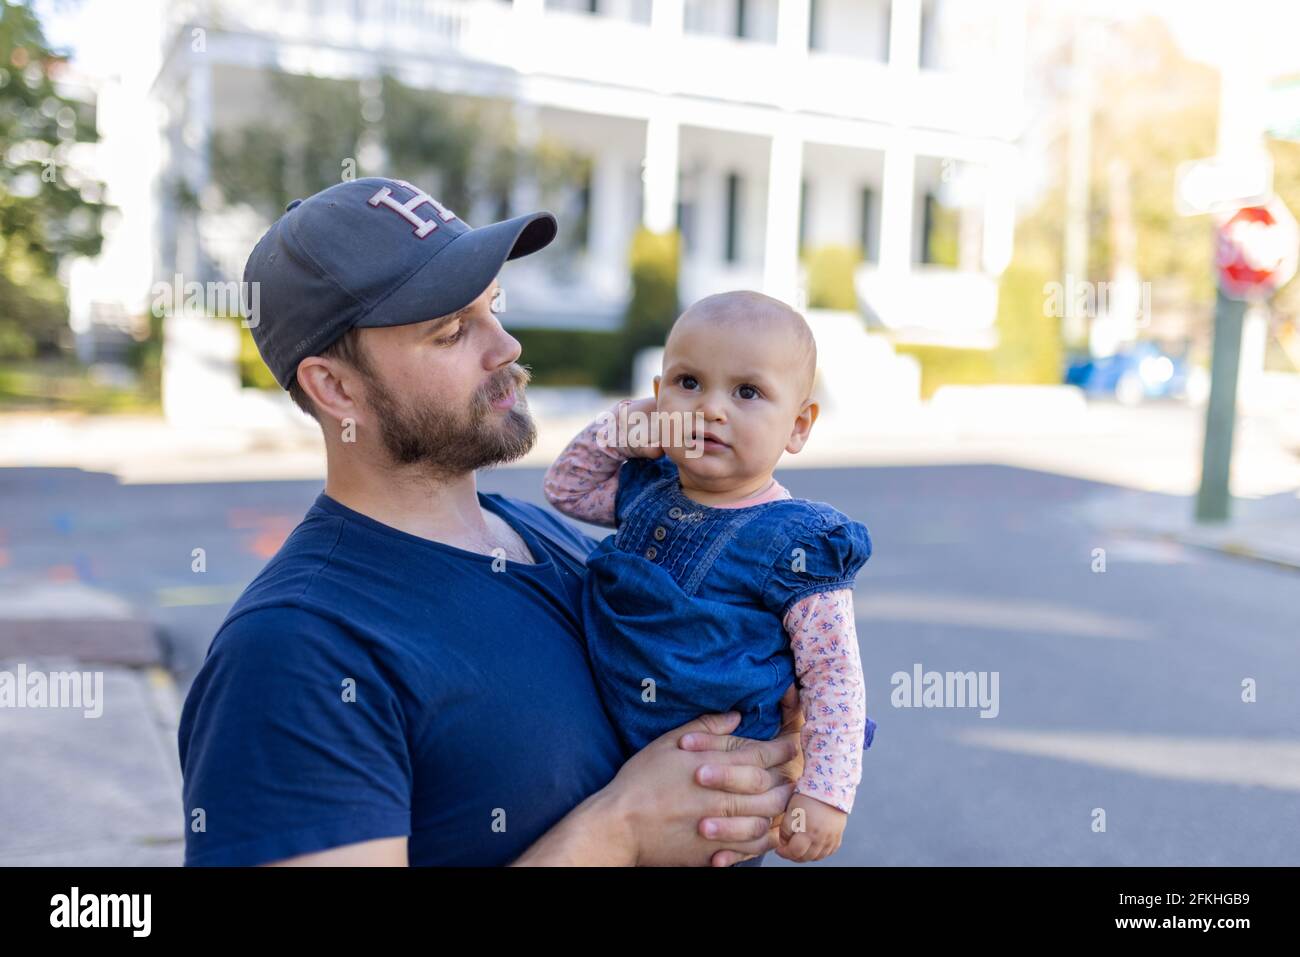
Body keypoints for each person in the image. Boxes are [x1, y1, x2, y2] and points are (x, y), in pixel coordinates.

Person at [177, 177, 801, 867]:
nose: (504, 345)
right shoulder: (295, 651)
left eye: (492, 307)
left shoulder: (554, 540)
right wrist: (614, 835)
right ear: (335, 387)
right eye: (450, 330)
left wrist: (765, 736)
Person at [544, 291, 876, 863]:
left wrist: (825, 793)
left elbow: (834, 676)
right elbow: (565, 489)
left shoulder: (797, 541)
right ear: (657, 395)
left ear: (798, 426)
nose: (710, 409)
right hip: (610, 758)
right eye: (688, 383)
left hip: (718, 787)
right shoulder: (647, 486)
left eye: (747, 392)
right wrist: (623, 432)